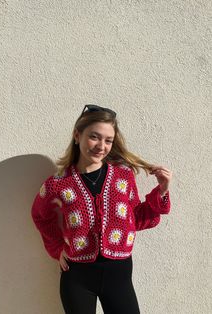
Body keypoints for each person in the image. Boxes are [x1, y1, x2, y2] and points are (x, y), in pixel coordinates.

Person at [31, 104, 172, 314]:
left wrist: (161, 191)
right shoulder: (58, 183)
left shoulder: (123, 178)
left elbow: (135, 219)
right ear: (77, 136)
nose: (101, 146)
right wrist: (56, 248)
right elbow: (40, 216)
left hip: (119, 275)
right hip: (76, 275)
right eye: (94, 137)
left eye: (108, 140)